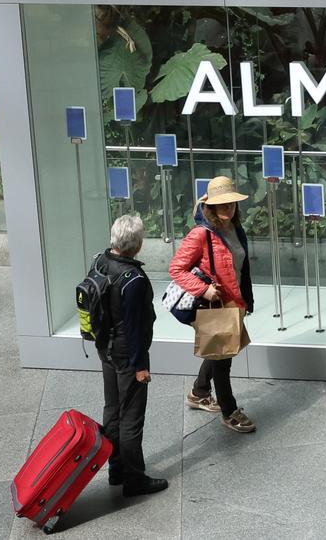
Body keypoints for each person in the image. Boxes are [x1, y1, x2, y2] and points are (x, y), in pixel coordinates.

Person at [170, 176, 256, 433]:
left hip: (234, 300)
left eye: (231, 203)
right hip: (216, 304)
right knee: (223, 359)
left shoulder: (235, 228)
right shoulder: (200, 234)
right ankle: (230, 412)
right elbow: (176, 268)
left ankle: (199, 392)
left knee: (221, 350)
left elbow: (243, 268)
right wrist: (203, 289)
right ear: (211, 207)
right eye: (222, 204)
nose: (227, 208)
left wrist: (247, 300)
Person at [95, 215, 168, 497]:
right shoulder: (133, 279)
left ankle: (116, 470)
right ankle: (134, 479)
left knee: (112, 410)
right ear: (137, 245)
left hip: (106, 347)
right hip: (127, 353)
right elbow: (137, 328)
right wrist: (141, 366)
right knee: (131, 418)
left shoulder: (100, 262)